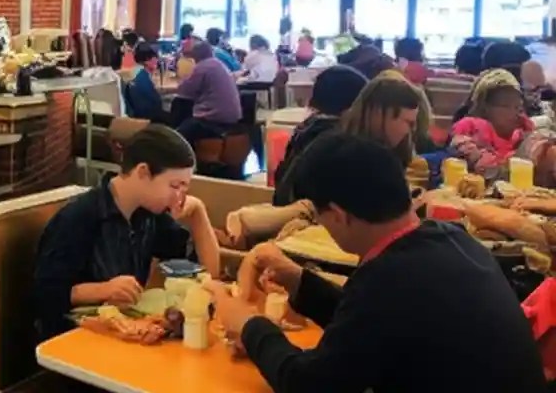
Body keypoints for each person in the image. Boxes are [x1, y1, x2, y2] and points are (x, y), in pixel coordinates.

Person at [206, 131, 547, 393]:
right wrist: (298, 281)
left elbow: (310, 385)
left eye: (320, 217)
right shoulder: (450, 240)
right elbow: (371, 328)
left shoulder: (389, 278)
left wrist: (248, 325)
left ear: (338, 215)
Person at [32, 123, 220, 341]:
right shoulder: (80, 217)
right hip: (73, 340)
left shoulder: (148, 214)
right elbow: (44, 294)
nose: (179, 196)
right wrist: (103, 290)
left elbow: (208, 273)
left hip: (125, 333)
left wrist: (198, 213)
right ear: (143, 172)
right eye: (174, 186)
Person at [272, 65, 368, 206]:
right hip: (308, 213)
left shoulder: (308, 128)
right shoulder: (335, 141)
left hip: (290, 209)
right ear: (351, 108)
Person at [449, 69, 533, 181]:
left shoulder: (527, 135)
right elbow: (483, 168)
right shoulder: (469, 127)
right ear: (485, 107)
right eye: (505, 106)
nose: (513, 112)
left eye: (518, 107)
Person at [340, 71, 431, 170]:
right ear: (378, 115)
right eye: (409, 122)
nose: (413, 129)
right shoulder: (341, 158)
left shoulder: (402, 157)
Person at [173, 41, 242, 147]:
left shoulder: (203, 67)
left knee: (179, 132)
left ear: (196, 54)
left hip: (213, 119)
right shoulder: (219, 64)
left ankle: (182, 152)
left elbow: (185, 90)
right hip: (232, 117)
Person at [121, 43, 167, 123]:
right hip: (147, 120)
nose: (157, 60)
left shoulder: (136, 72)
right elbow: (155, 104)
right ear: (147, 59)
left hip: (135, 117)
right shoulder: (142, 77)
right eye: (155, 57)